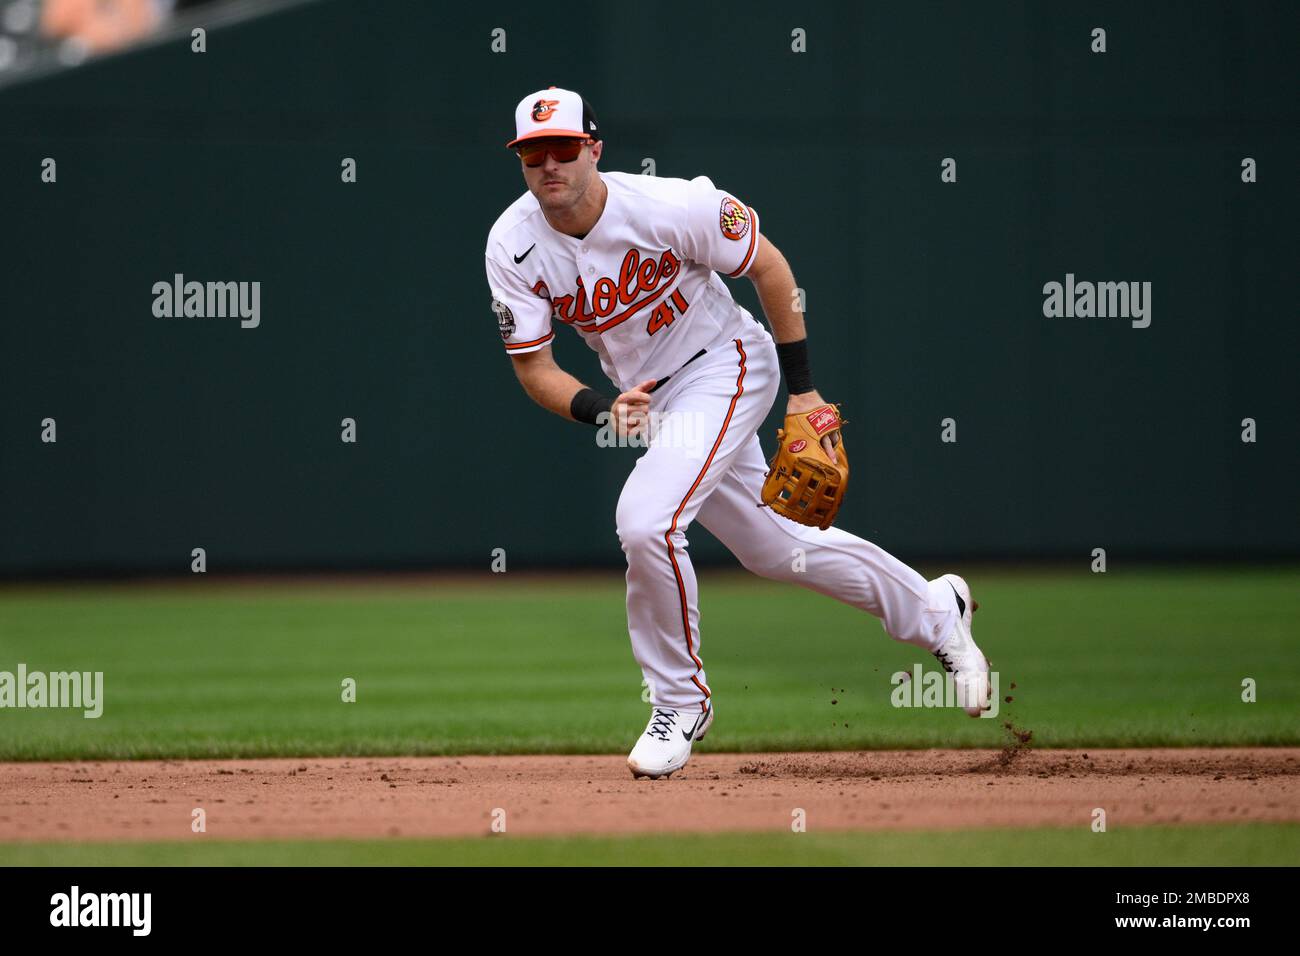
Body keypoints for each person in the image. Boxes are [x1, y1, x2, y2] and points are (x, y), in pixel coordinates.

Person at [485, 87, 991, 780]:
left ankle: (679, 702)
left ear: (594, 149)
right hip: (660, 403)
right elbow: (534, 368)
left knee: (644, 521)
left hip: (727, 363)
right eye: (533, 153)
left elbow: (770, 266)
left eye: (564, 148)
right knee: (776, 547)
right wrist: (599, 410)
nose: (550, 164)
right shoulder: (513, 245)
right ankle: (936, 609)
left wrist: (804, 388)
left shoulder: (671, 206)